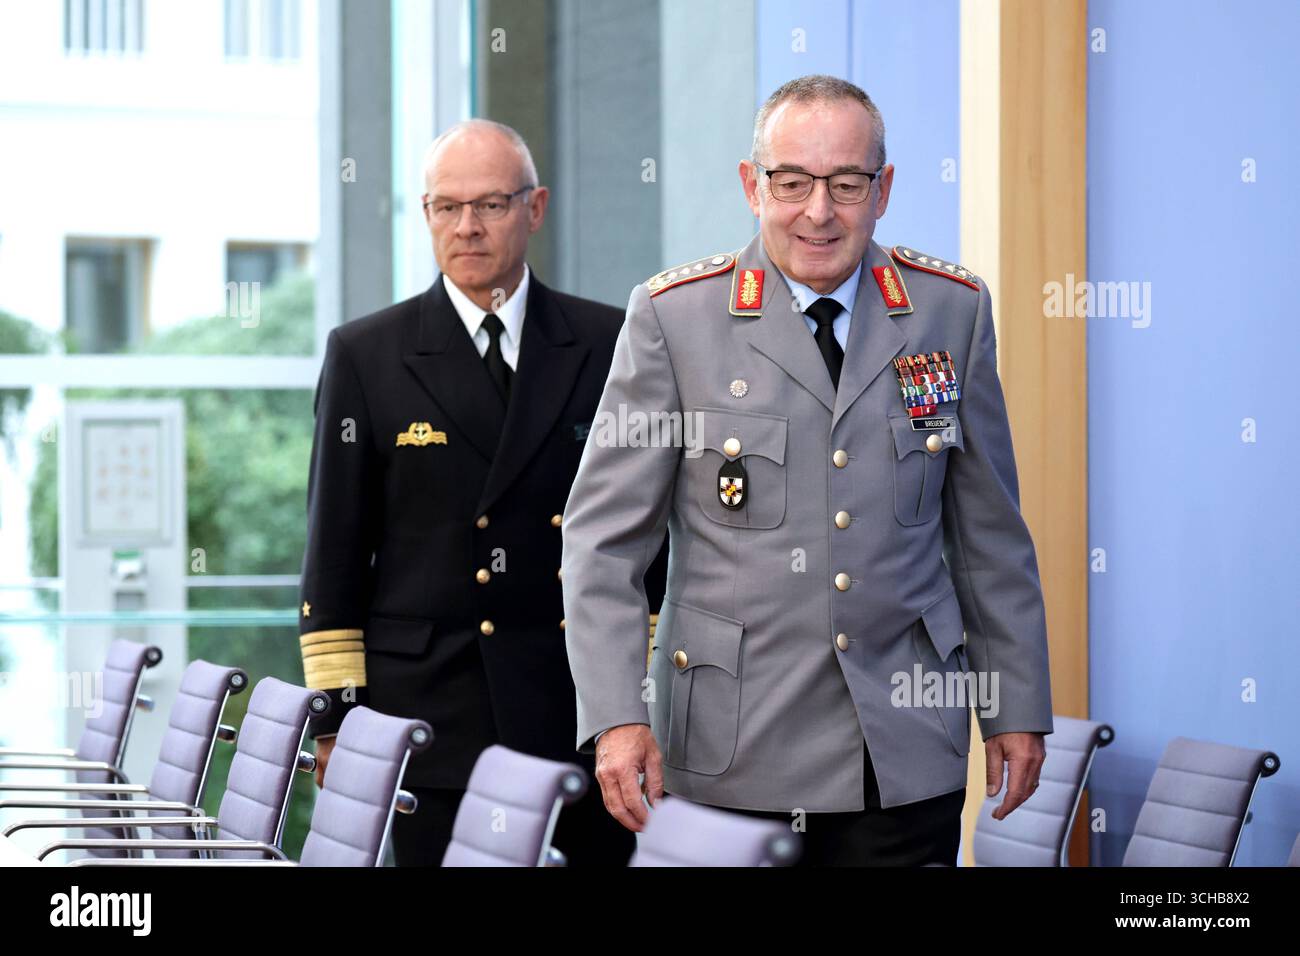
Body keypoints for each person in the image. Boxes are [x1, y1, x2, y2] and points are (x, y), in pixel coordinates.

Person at [561, 75, 1053, 866]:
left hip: (902, 753)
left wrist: (1015, 703)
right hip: (732, 753)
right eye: (792, 183)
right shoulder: (674, 319)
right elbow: (604, 545)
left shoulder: (949, 311)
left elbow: (989, 534)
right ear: (752, 186)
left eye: (846, 184)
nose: (818, 212)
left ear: (883, 189)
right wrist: (618, 717)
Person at [298, 118, 663, 866]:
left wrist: (649, 697)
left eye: (492, 205)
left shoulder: (607, 342)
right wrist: (337, 718)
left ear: (535, 208)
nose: (467, 227)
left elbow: (646, 544)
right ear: (425, 214)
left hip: (578, 714)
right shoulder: (367, 354)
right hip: (430, 720)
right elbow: (333, 552)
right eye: (446, 207)